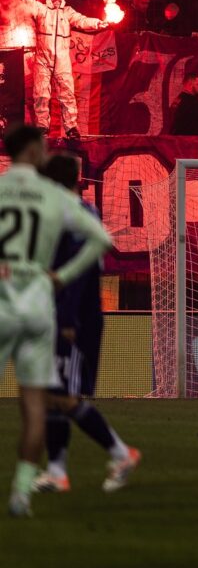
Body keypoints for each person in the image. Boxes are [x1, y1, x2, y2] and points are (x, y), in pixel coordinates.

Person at [0, 124, 114, 517]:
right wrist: (63, 277)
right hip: (37, 307)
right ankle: (20, 494)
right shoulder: (55, 198)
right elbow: (101, 240)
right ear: (32, 150)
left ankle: (48, 476)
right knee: (35, 404)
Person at [33, 153, 140, 495]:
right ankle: (56, 471)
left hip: (76, 318)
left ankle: (121, 453)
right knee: (53, 395)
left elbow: (77, 274)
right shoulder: (79, 213)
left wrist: (66, 320)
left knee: (61, 396)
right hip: (66, 313)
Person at [19, 0, 114, 140]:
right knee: (41, 94)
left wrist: (97, 23)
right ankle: (42, 126)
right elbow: (29, 2)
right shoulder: (42, 10)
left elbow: (81, 20)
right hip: (43, 58)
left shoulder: (67, 12)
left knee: (67, 93)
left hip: (62, 59)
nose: (57, 0)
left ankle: (71, 127)